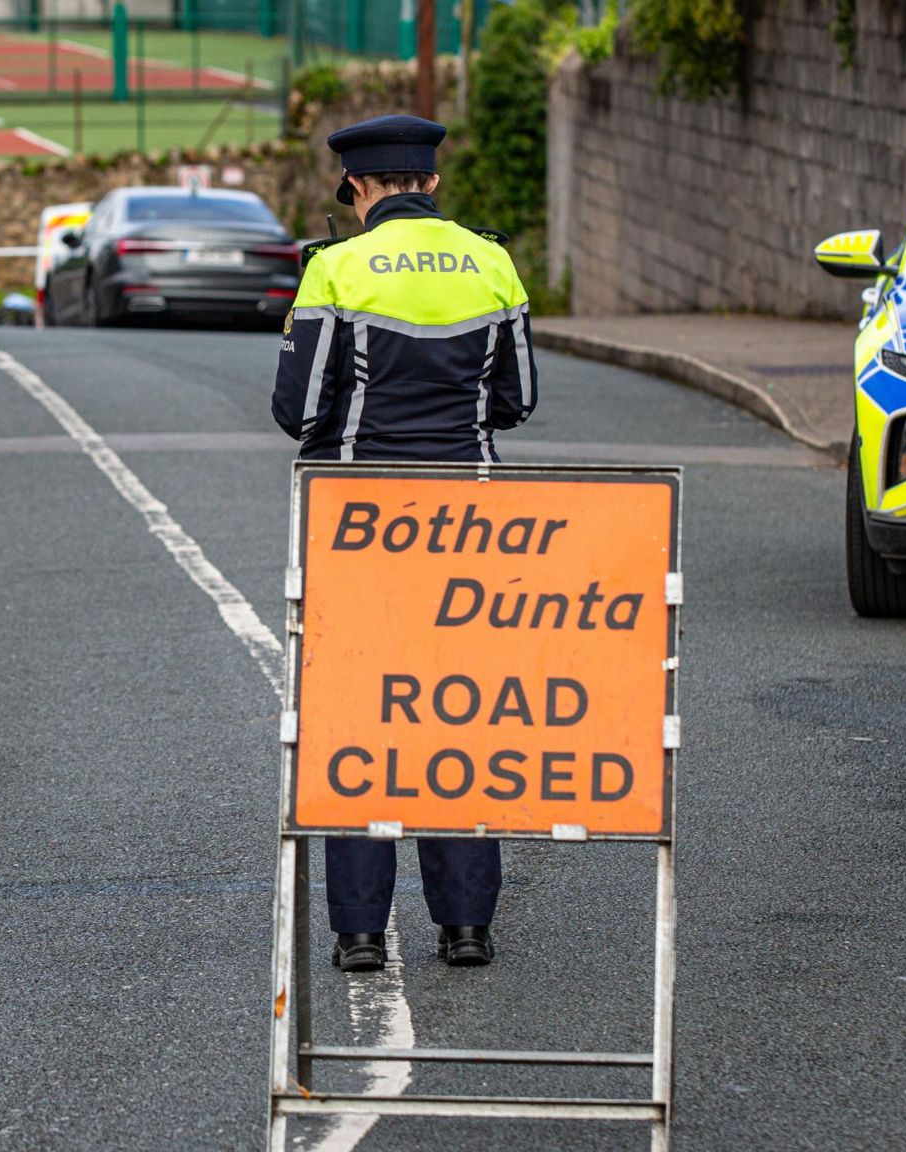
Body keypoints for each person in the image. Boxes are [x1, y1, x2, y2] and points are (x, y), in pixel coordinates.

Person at [269, 114, 537, 973]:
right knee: (461, 709)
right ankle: (466, 926)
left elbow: (299, 411)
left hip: (359, 525)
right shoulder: (492, 262)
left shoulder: (336, 269)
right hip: (473, 523)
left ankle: (358, 933)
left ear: (357, 188)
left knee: (358, 714)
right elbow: (517, 398)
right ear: (433, 182)